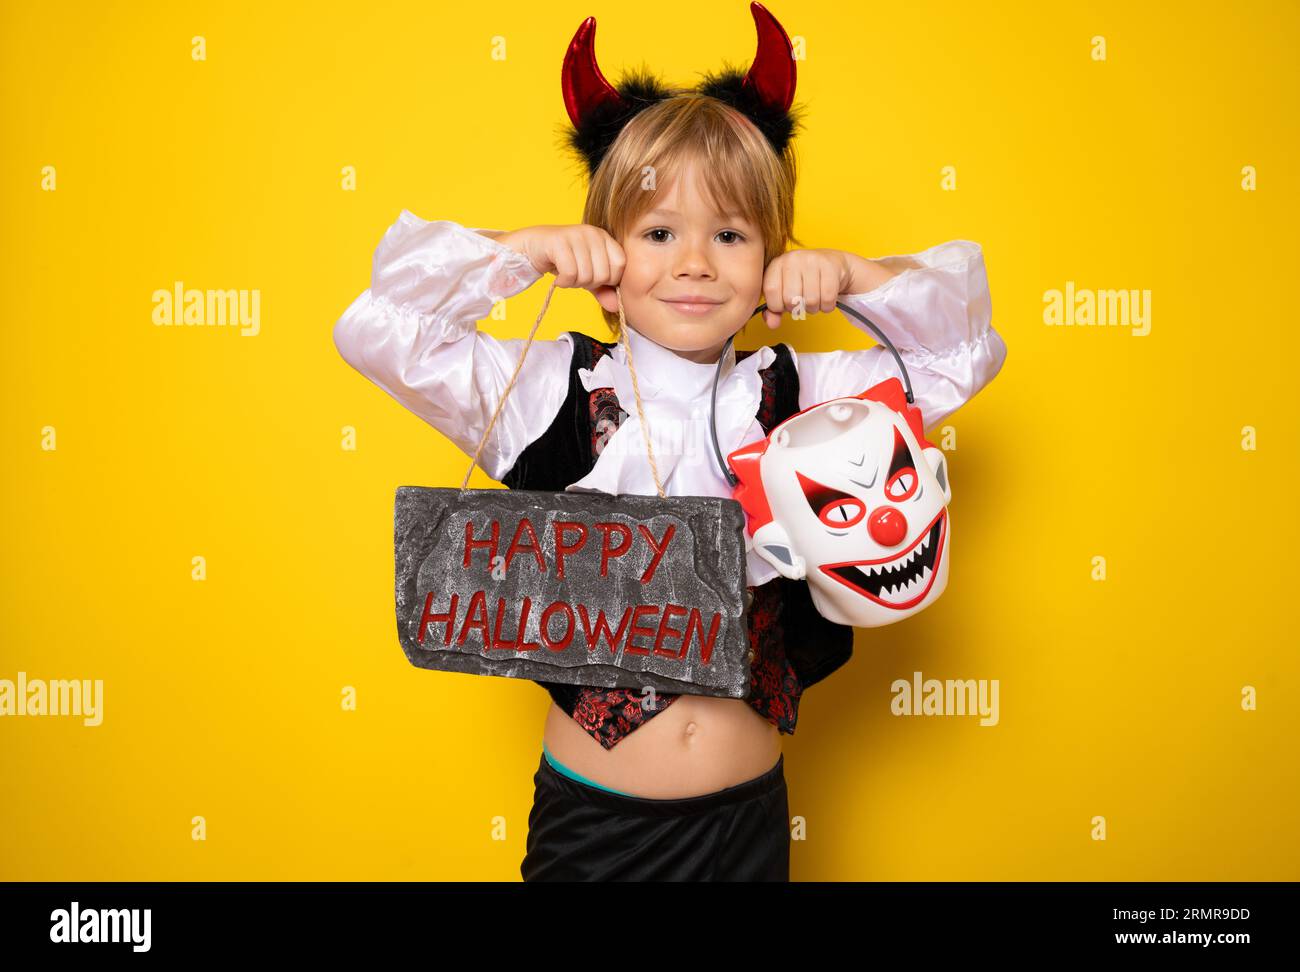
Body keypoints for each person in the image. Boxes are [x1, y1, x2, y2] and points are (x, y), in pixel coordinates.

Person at [332, 4, 1007, 881]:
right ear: (610, 265)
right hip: (596, 829)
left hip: (746, 822)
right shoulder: (549, 394)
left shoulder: (807, 400)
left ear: (768, 258)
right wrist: (522, 254)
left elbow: (959, 352)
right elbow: (382, 327)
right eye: (658, 233)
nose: (694, 261)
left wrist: (848, 277)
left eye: (729, 234)